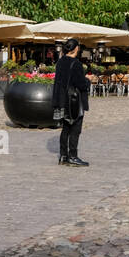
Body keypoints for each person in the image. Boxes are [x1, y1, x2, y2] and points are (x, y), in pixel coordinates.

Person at [52, 38, 89, 167]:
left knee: (65, 129)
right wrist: (88, 80)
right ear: (76, 48)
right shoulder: (76, 63)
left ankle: (63, 156)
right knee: (75, 129)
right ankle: (73, 156)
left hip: (62, 100)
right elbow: (81, 84)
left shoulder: (60, 62)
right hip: (74, 101)